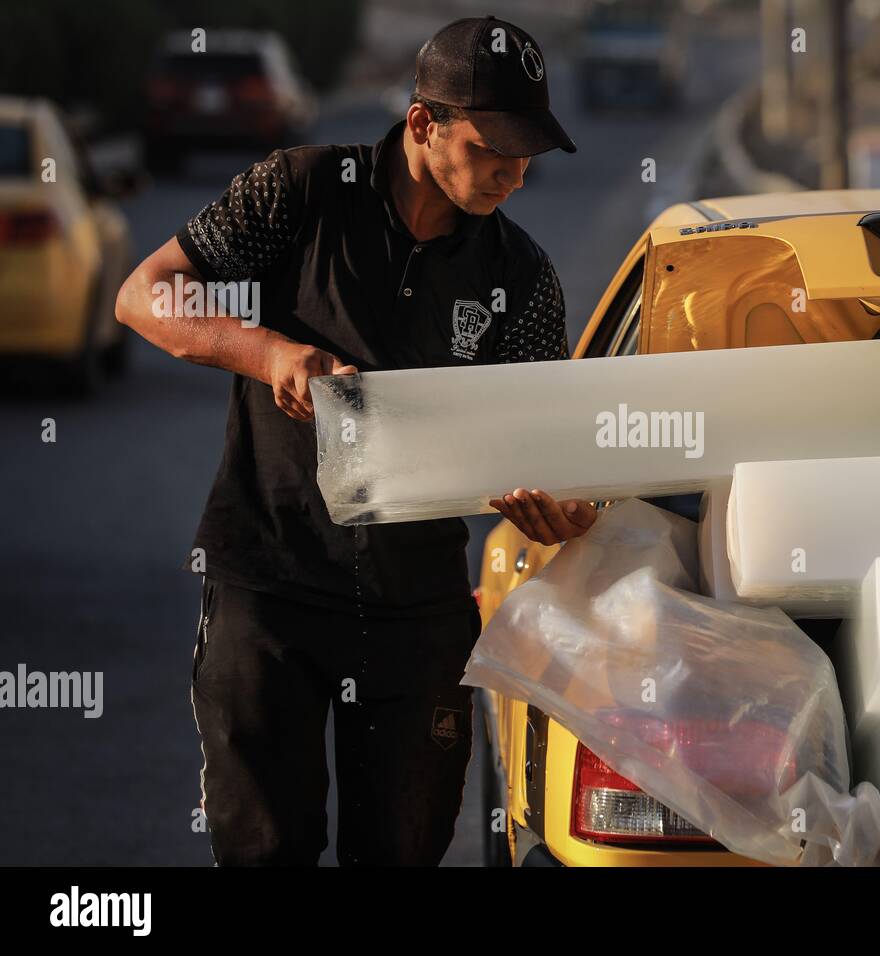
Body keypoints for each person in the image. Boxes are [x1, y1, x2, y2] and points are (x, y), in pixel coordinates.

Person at [114, 15, 596, 866]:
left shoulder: (521, 279)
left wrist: (551, 508)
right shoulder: (301, 190)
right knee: (266, 850)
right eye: (495, 148)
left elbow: (545, 444)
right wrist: (273, 354)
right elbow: (146, 294)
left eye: (529, 154)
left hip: (418, 615)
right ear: (423, 124)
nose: (514, 175)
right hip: (269, 588)